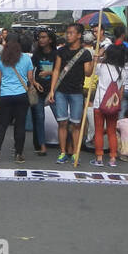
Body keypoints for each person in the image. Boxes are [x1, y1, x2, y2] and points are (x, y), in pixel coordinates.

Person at [49, 22, 94, 164]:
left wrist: (94, 61)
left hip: (76, 92)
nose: (68, 35)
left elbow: (88, 73)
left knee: (76, 124)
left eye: (71, 33)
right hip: (61, 91)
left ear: (79, 35)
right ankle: (63, 152)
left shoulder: (85, 53)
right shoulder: (61, 51)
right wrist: (52, 90)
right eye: (67, 33)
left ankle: (75, 153)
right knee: (62, 122)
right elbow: (56, 70)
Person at [0, 36, 35, 163]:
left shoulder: (0, 59)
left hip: (5, 95)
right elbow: (30, 79)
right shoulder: (26, 58)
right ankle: (18, 154)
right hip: (21, 95)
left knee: (2, 125)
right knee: (20, 125)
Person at [91, 39, 128, 167]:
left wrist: (98, 56)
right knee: (112, 131)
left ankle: (99, 158)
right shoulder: (123, 71)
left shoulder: (101, 67)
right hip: (113, 104)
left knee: (98, 131)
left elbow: (92, 69)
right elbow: (121, 91)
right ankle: (113, 158)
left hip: (99, 103)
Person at [30, 28, 57, 155]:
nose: (41, 39)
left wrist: (49, 72)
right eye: (40, 37)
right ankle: (42, 146)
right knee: (39, 118)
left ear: (50, 40)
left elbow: (61, 71)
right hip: (39, 90)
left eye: (44, 37)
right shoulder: (36, 54)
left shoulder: (57, 54)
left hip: (53, 90)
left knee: (60, 118)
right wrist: (35, 83)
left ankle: (67, 145)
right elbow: (31, 72)